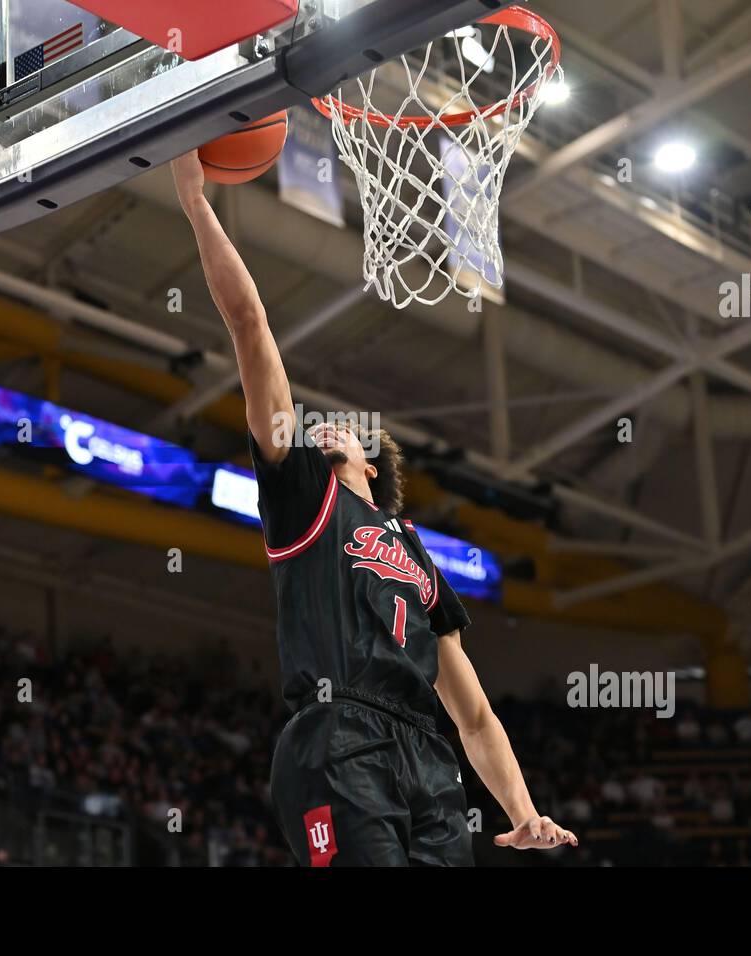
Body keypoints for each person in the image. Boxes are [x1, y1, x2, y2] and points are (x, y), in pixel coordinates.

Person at [172, 151, 576, 866]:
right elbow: (249, 324)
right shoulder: (304, 499)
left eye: (342, 431)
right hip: (337, 738)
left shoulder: (416, 554)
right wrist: (199, 207)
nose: (323, 426)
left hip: (428, 757)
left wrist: (523, 811)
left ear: (372, 464)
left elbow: (474, 715)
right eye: (315, 425)